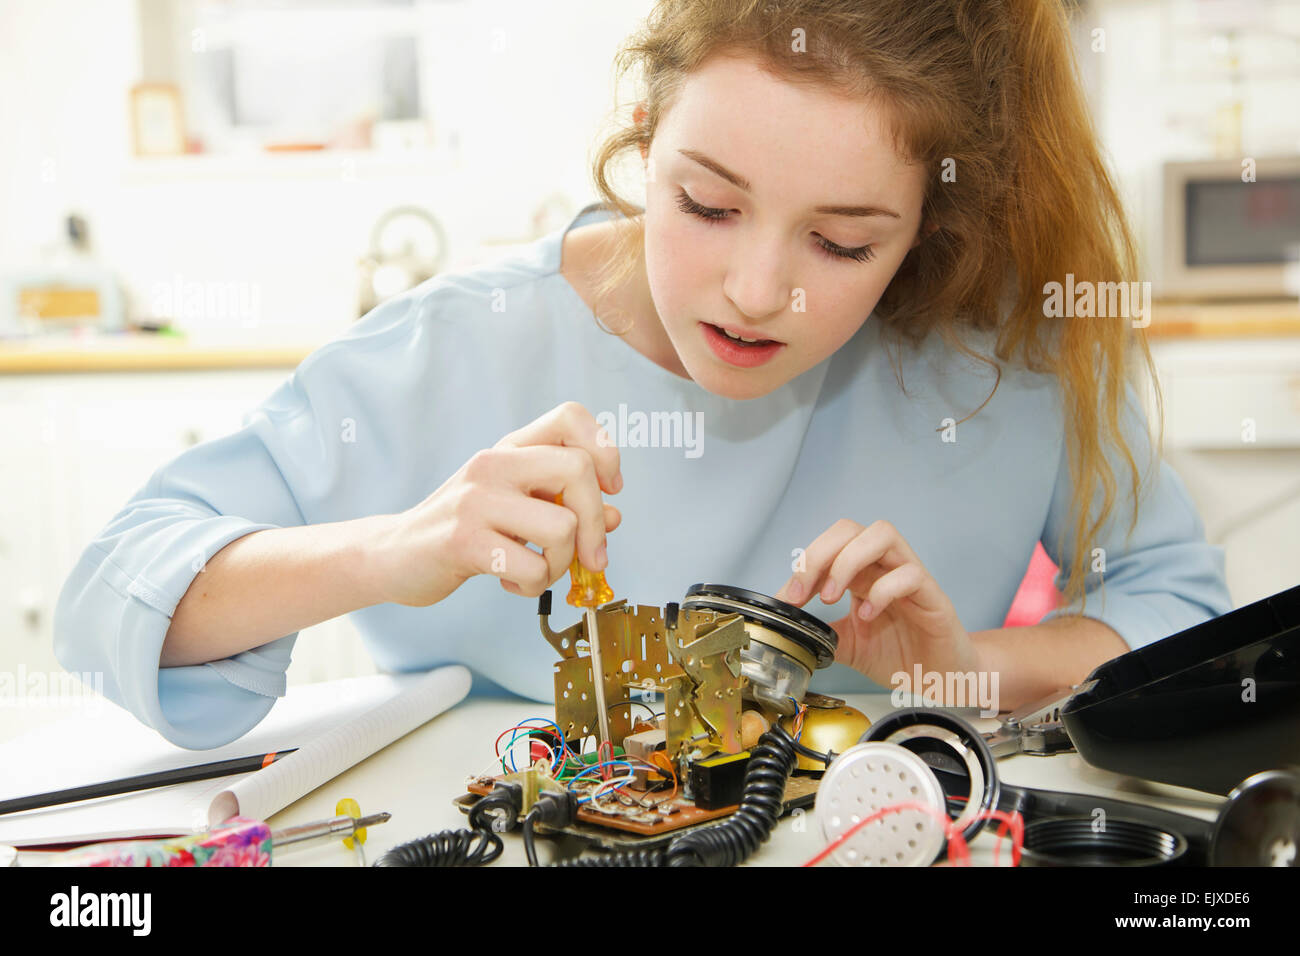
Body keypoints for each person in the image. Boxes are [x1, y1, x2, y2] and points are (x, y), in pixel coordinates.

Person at [54, 0, 1230, 749]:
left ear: (930, 226)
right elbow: (114, 593)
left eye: (843, 241)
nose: (755, 288)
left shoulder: (999, 354)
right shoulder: (453, 347)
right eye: (707, 203)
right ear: (640, 134)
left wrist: (970, 667)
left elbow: (1182, 612)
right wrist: (393, 548)